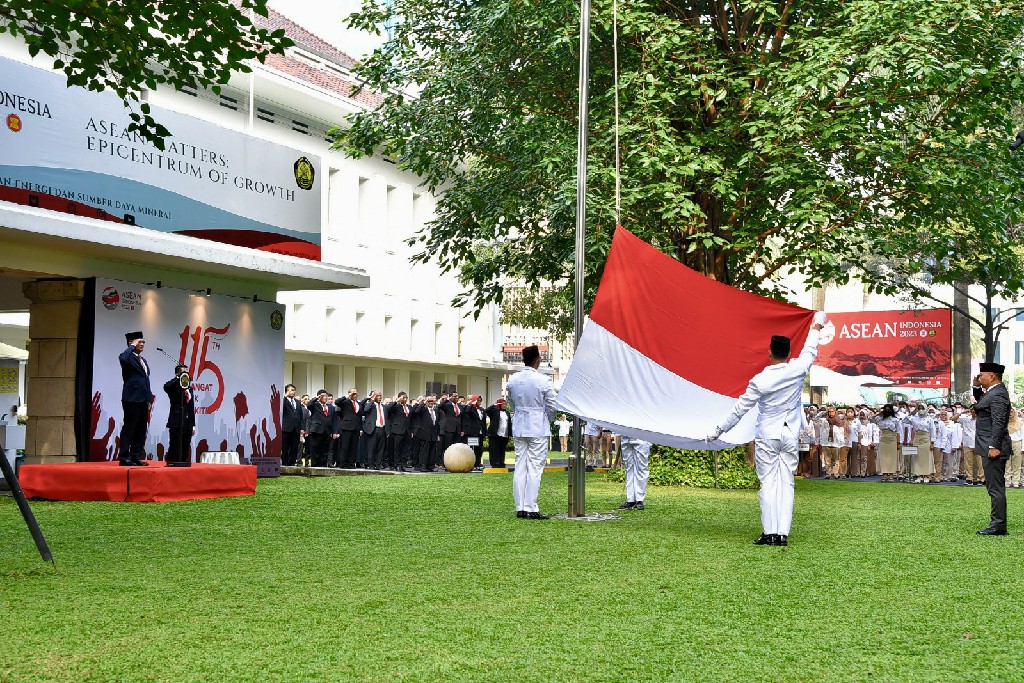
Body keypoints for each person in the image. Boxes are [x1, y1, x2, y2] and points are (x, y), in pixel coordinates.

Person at [707, 312, 826, 546]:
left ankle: (770, 531)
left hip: (767, 435)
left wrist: (718, 430)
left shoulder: (760, 380)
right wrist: (818, 324)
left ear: (770, 353)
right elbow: (811, 349)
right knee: (787, 483)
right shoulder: (798, 369)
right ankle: (782, 533)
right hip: (789, 434)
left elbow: (739, 409)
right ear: (789, 354)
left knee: (769, 483)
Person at [507, 345, 557, 519]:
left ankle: (520, 506)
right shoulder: (543, 380)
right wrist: (548, 419)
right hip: (537, 425)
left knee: (520, 466)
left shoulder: (513, 379)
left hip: (520, 424)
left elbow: (510, 402)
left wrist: (519, 412)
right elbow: (551, 405)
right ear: (537, 360)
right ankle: (531, 507)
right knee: (535, 467)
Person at [973, 364, 1012, 535]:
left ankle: (998, 526)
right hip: (988, 445)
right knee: (993, 487)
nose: (979, 377)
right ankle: (997, 523)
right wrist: (976, 387)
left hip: (993, 447)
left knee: (995, 488)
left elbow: (998, 422)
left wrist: (994, 446)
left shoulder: (998, 395)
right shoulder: (993, 393)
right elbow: (982, 404)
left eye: (982, 375)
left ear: (992, 376)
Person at [117, 331, 154, 466]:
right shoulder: (127, 357)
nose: (142, 344)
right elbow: (122, 358)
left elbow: (146, 380)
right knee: (130, 427)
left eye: (143, 342)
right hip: (131, 398)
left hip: (143, 399)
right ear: (131, 343)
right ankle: (124, 457)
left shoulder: (142, 360)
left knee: (141, 429)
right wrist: (131, 346)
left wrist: (149, 399)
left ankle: (135, 457)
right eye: (140, 342)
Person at [163, 364, 196, 464]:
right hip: (176, 420)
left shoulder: (189, 389)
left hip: (188, 421)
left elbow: (191, 407)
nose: (186, 375)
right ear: (178, 374)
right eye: (183, 373)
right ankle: (172, 462)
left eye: (187, 372)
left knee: (186, 444)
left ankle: (183, 462)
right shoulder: (173, 387)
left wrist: (193, 425)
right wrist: (178, 378)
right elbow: (166, 386)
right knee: (175, 444)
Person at [305, 390, 340, 468]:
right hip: (316, 430)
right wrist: (316, 398)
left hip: (327, 431)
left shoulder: (330, 407)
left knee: (325, 450)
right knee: (315, 449)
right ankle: (315, 466)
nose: (325, 398)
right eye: (323, 396)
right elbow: (309, 405)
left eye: (326, 396)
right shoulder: (315, 405)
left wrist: (334, 431)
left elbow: (334, 420)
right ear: (319, 397)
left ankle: (323, 466)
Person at [618, 435, 651, 510]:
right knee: (628, 468)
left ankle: (639, 500)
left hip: (641, 436)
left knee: (641, 468)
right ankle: (630, 499)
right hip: (626, 436)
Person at [385, 392, 413, 471]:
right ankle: (397, 464)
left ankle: (403, 465)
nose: (405, 399)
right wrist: (397, 400)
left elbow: (412, 418)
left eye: (406, 397)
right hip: (398, 430)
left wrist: (411, 431)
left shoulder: (409, 407)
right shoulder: (396, 406)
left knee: (405, 449)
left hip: (407, 430)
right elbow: (388, 408)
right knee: (397, 448)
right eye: (403, 397)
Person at [361, 390, 387, 470]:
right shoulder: (370, 405)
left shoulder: (384, 407)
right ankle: (370, 465)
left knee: (380, 449)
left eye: (380, 396)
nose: (379, 397)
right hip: (373, 429)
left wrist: (387, 430)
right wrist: (371, 400)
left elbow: (387, 419)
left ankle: (378, 464)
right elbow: (365, 410)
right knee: (371, 448)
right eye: (377, 396)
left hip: (382, 429)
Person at [336, 388, 362, 468]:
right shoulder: (345, 402)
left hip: (356, 428)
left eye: (356, 393)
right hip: (347, 427)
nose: (355, 395)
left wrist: (360, 428)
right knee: (345, 446)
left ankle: (351, 463)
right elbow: (337, 402)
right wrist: (348, 396)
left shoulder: (358, 403)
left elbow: (359, 416)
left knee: (353, 447)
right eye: (353, 393)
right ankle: (343, 463)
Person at [281, 383, 305, 466]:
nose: (293, 392)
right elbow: (281, 409)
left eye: (294, 390)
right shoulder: (283, 400)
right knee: (285, 446)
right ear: (286, 391)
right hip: (286, 428)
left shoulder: (298, 402)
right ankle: (284, 462)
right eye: (290, 390)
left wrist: (302, 428)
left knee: (294, 447)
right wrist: (285, 396)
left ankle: (292, 462)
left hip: (296, 428)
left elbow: (300, 416)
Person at [461, 395, 485, 470]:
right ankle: (471, 463)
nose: (479, 402)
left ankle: (478, 462)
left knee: (479, 448)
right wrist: (470, 403)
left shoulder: (481, 409)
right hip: (473, 431)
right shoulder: (470, 408)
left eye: (480, 400)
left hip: (480, 432)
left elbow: (483, 421)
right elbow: (466, 412)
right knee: (472, 448)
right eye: (478, 400)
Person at [485, 398, 511, 468]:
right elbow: (487, 410)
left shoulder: (507, 413)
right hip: (495, 434)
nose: (504, 405)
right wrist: (494, 405)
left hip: (504, 434)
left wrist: (510, 433)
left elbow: (509, 423)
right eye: (503, 404)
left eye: (505, 404)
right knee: (494, 449)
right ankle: (495, 463)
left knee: (502, 449)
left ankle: (501, 462)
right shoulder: (494, 411)